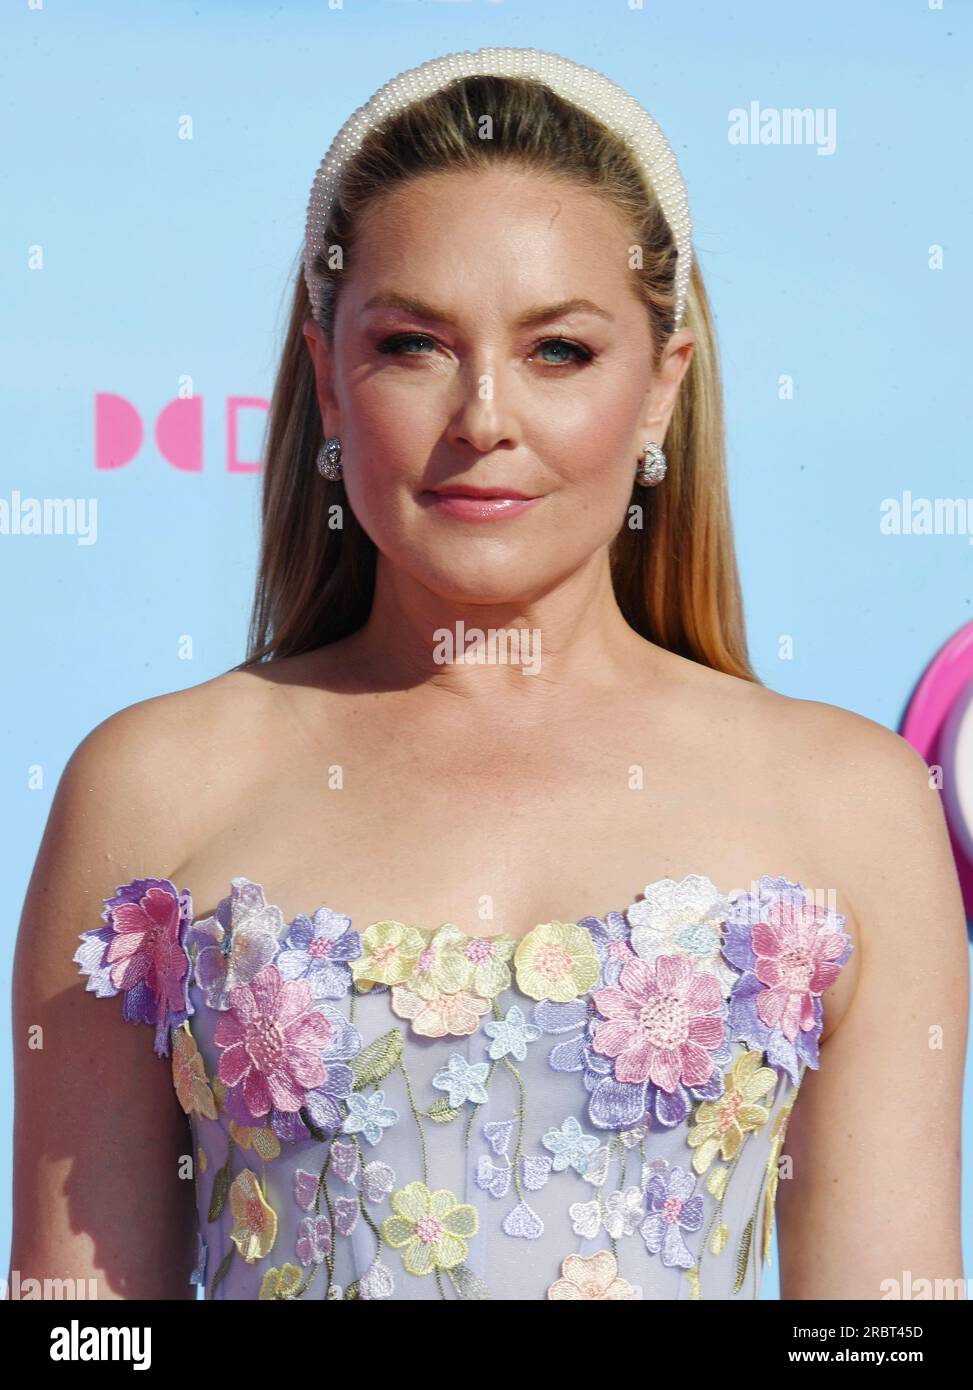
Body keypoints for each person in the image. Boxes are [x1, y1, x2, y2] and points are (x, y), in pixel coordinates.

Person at [9, 48, 967, 1302]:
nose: (483, 416)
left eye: (557, 351)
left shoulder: (849, 800)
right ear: (327, 380)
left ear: (660, 387)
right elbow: (74, 1331)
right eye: (413, 344)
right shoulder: (151, 785)